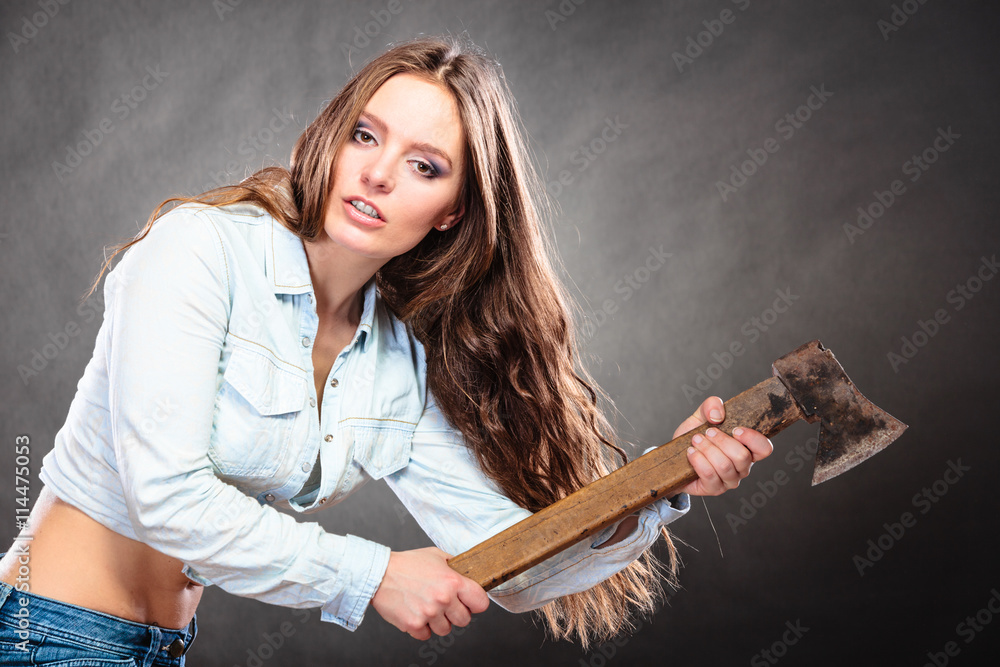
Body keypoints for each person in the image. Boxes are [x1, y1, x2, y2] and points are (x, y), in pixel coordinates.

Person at [0, 35, 772, 663]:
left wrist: (664, 483)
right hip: (46, 633)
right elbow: (161, 495)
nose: (375, 173)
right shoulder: (201, 251)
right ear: (336, 137)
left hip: (161, 646)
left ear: (452, 211)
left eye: (423, 166)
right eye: (367, 135)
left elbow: (510, 562)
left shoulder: (394, 360)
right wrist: (374, 577)